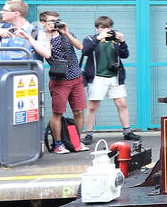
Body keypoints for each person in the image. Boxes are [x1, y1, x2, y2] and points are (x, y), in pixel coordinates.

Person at [80, 16, 134, 144]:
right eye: (103, 27)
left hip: (115, 77)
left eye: (109, 27)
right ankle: (88, 134)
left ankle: (127, 131)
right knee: (93, 106)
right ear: (97, 28)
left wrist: (123, 41)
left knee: (122, 103)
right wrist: (97, 39)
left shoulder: (115, 40)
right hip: (97, 77)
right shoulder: (90, 39)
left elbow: (125, 55)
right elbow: (85, 51)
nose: (106, 30)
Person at [39, 11, 86, 153]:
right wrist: (48, 34)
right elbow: (47, 53)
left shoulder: (66, 33)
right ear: (43, 23)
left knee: (78, 111)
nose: (56, 23)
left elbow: (80, 47)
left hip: (76, 78)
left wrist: (65, 33)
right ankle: (59, 144)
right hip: (60, 80)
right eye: (52, 21)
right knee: (57, 112)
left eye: (57, 20)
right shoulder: (41, 38)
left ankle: (76, 141)